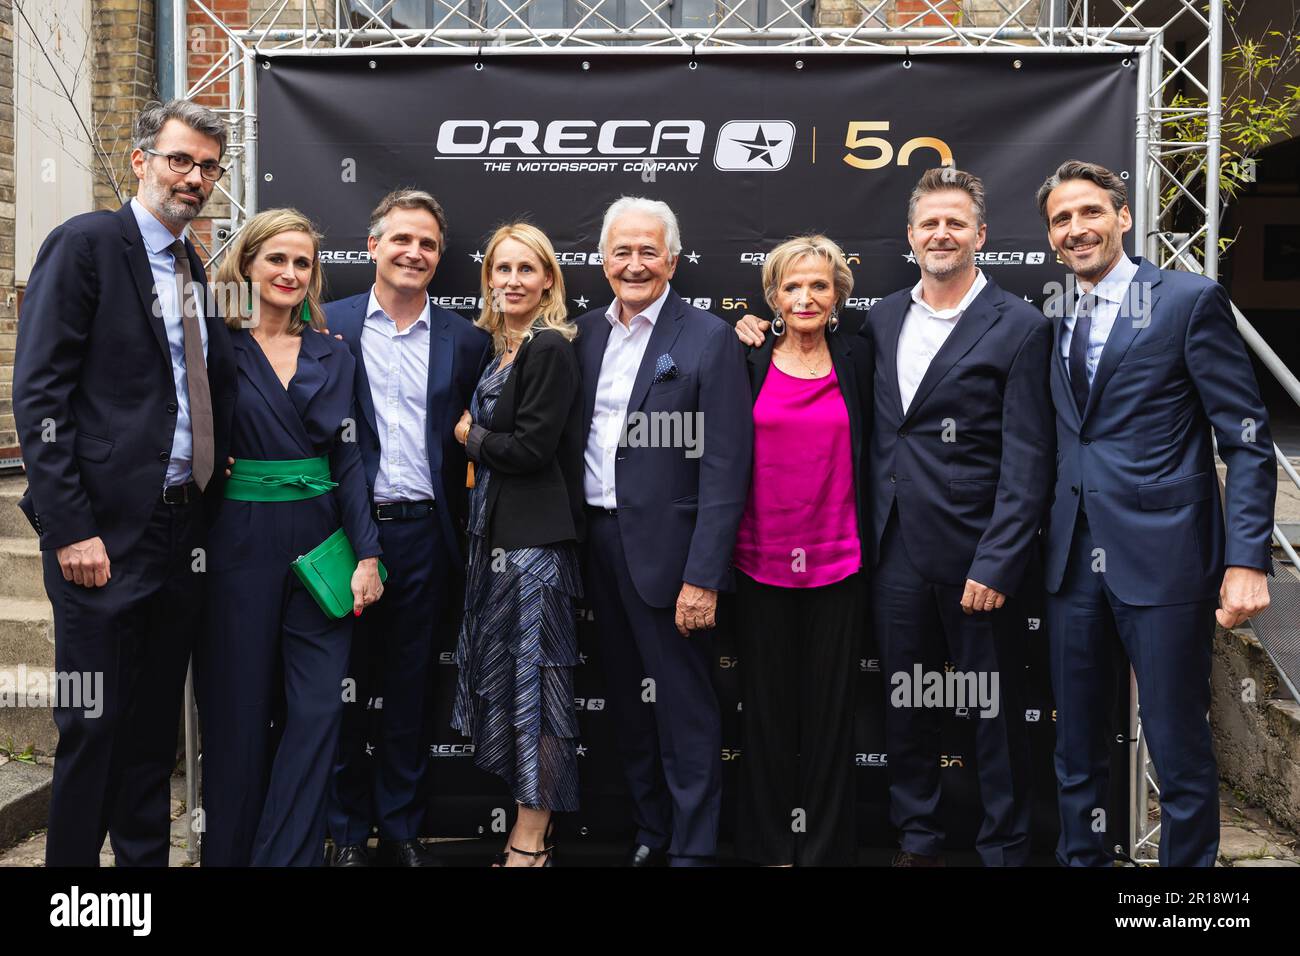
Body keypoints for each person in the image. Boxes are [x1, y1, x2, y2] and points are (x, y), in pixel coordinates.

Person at [736, 168, 1053, 867]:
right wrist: (751, 326)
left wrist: (998, 561)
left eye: (956, 222)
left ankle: (1004, 847)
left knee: (991, 712)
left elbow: (1030, 459)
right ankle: (918, 840)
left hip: (977, 557)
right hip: (889, 551)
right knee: (905, 705)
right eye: (929, 223)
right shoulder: (879, 321)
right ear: (910, 237)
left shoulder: (1021, 325)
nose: (942, 233)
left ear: (980, 235)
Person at [12, 99, 237, 867]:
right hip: (100, 534)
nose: (196, 178)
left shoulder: (190, 263)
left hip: (181, 530)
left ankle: (139, 883)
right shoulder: (85, 244)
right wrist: (70, 526)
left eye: (208, 166)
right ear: (141, 160)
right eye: (181, 159)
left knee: (150, 733)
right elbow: (39, 394)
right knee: (93, 726)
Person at [1036, 160, 1275, 867]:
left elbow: (1248, 438)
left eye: (1089, 212)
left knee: (1178, 749)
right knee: (1076, 747)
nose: (1076, 229)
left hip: (1167, 559)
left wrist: (1246, 559)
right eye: (1060, 220)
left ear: (1122, 216)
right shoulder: (1054, 312)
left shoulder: (1187, 299)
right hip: (1073, 560)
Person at [195, 208, 384, 867]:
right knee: (237, 717)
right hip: (235, 542)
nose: (290, 272)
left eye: (303, 262)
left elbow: (353, 458)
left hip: (320, 546)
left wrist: (368, 554)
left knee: (317, 714)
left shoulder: (336, 352)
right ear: (247, 263)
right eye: (277, 258)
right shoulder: (214, 343)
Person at [575, 196, 752, 867]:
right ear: (602, 259)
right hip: (594, 548)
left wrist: (703, 576)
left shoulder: (707, 338)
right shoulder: (583, 334)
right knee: (626, 705)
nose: (635, 263)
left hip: (672, 560)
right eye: (622, 250)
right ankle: (652, 833)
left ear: (674, 260)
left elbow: (727, 468)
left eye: (649, 250)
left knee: (685, 712)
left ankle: (695, 849)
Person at [324, 190, 490, 867]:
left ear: (438, 257)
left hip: (425, 537)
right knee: (337, 689)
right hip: (340, 537)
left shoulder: (465, 340)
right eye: (401, 240)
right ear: (372, 247)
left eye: (426, 244)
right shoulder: (327, 324)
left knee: (411, 691)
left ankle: (400, 829)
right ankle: (342, 830)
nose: (413, 253)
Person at [730, 235, 872, 867]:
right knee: (764, 720)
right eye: (792, 286)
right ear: (773, 296)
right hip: (758, 563)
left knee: (829, 721)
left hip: (839, 564)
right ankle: (767, 852)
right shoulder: (746, 357)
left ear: (838, 294)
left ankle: (822, 853)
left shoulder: (862, 358)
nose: (806, 297)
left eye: (819, 285)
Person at [450, 222, 585, 867]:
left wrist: (471, 439)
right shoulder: (496, 349)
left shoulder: (549, 347)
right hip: (495, 542)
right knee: (508, 686)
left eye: (526, 270)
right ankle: (530, 825)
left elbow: (532, 450)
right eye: (501, 270)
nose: (511, 281)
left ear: (549, 280)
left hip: (534, 552)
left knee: (537, 689)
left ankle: (530, 839)